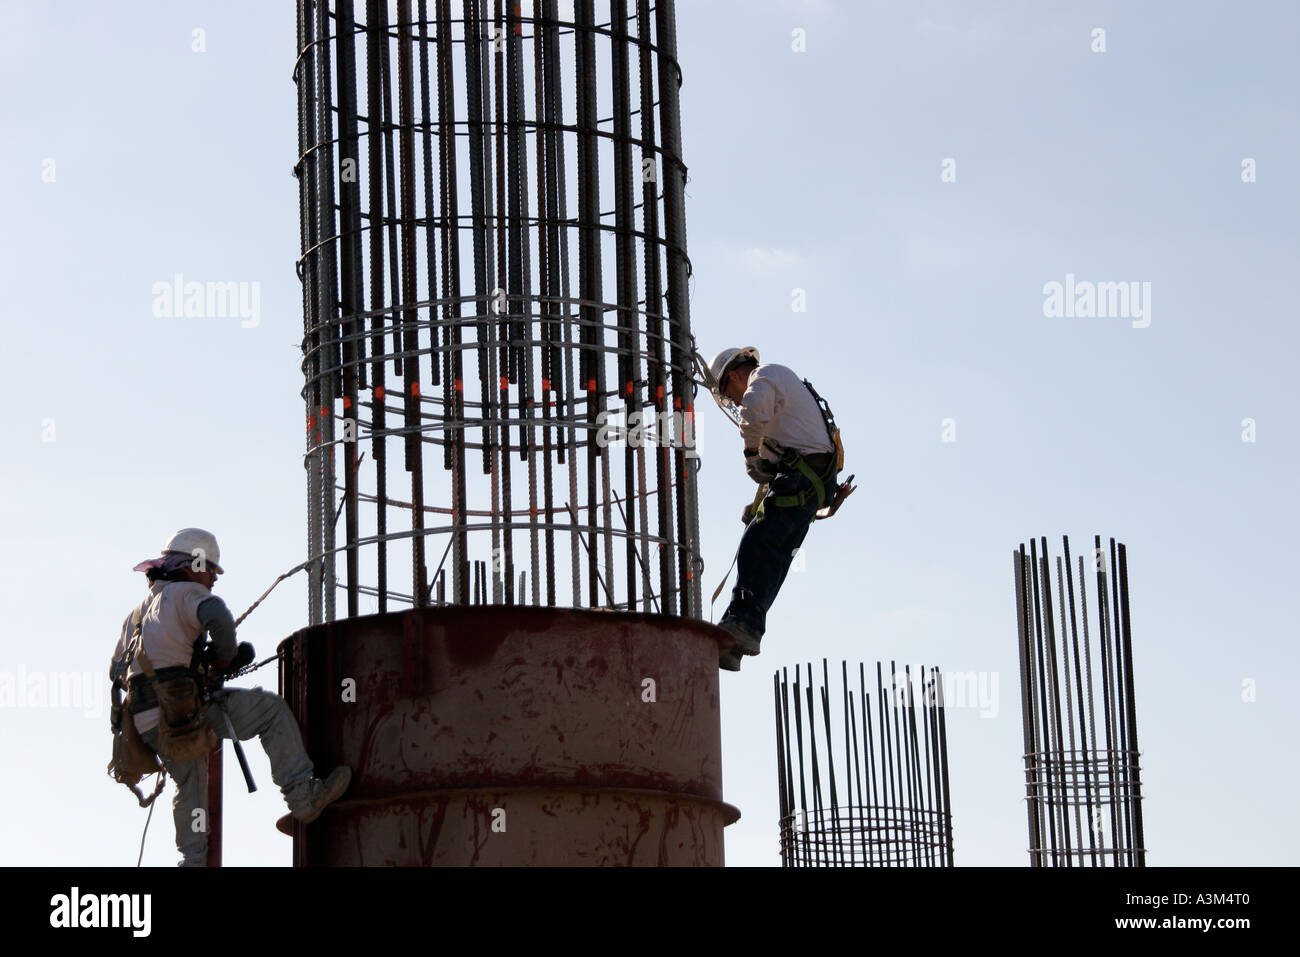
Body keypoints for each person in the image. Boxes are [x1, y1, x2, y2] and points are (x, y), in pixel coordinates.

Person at [111, 527, 351, 866]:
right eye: (209, 569)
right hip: (180, 712)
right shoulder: (186, 593)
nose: (212, 578)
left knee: (191, 779)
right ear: (192, 564)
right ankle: (302, 794)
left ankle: (193, 861)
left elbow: (118, 670)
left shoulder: (135, 615)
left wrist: (190, 666)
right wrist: (223, 657)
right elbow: (217, 615)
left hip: (147, 722)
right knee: (269, 710)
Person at [707, 348, 841, 671]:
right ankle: (737, 640)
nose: (736, 403)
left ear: (736, 375)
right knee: (772, 558)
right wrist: (756, 503)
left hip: (804, 480)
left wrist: (750, 453)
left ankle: (743, 625)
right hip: (810, 484)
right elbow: (775, 467)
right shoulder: (784, 401)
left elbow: (751, 412)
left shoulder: (766, 375)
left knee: (756, 546)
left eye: (730, 394)